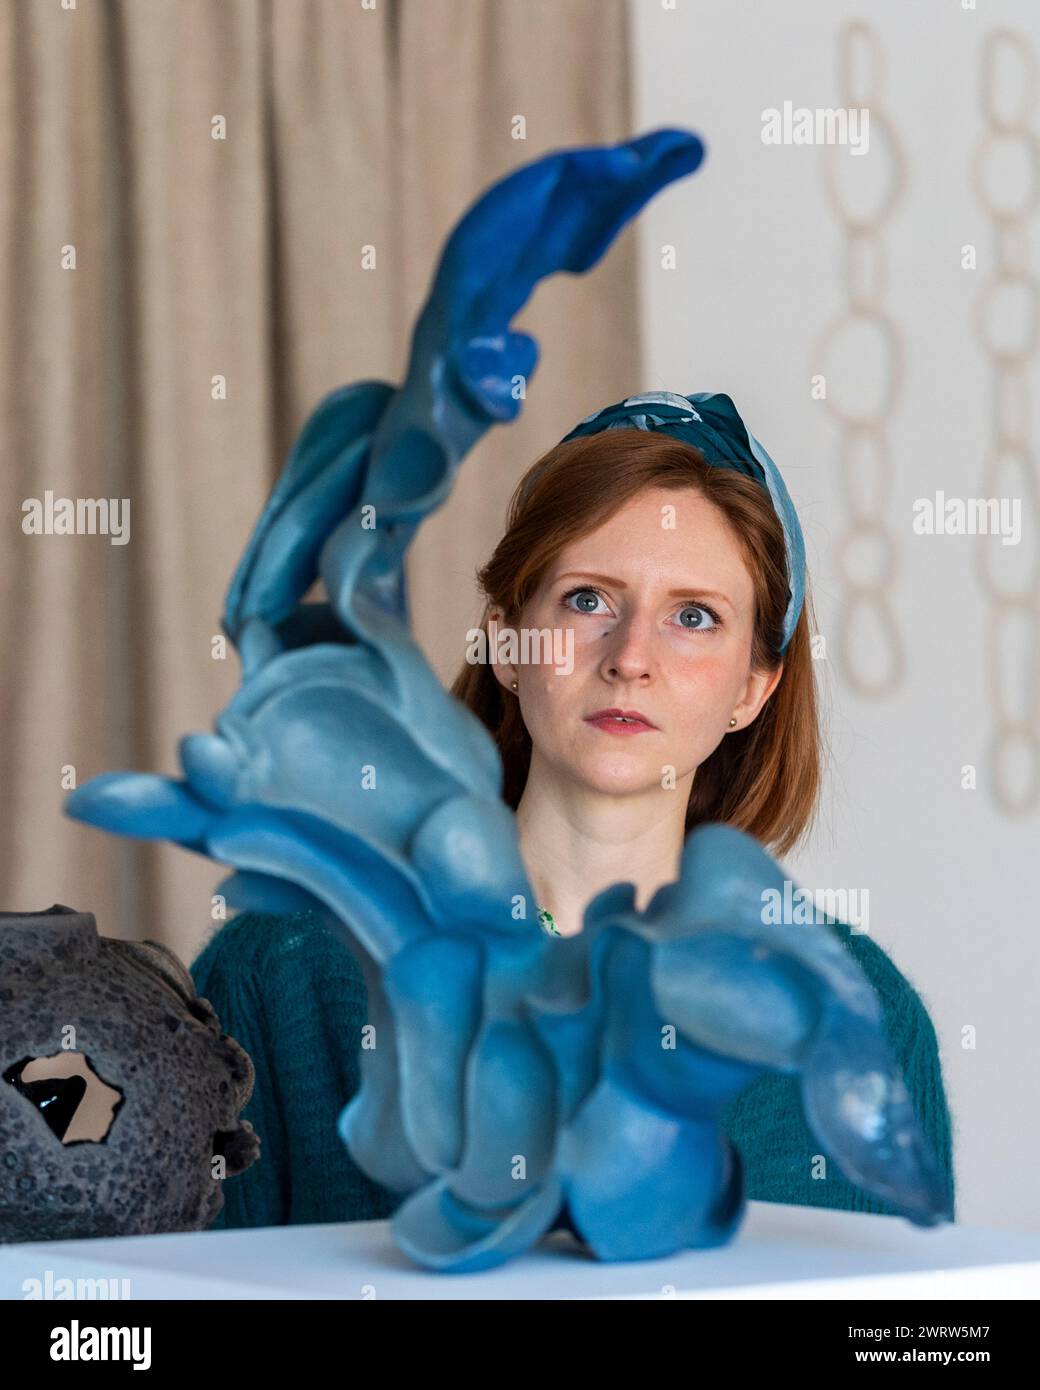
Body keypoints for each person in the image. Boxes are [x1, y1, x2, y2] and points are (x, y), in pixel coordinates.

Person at [191, 392, 955, 1231]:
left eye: (693, 618)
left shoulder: (864, 1017)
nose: (630, 658)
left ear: (751, 688)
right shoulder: (286, 966)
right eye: (588, 599)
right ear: (508, 641)